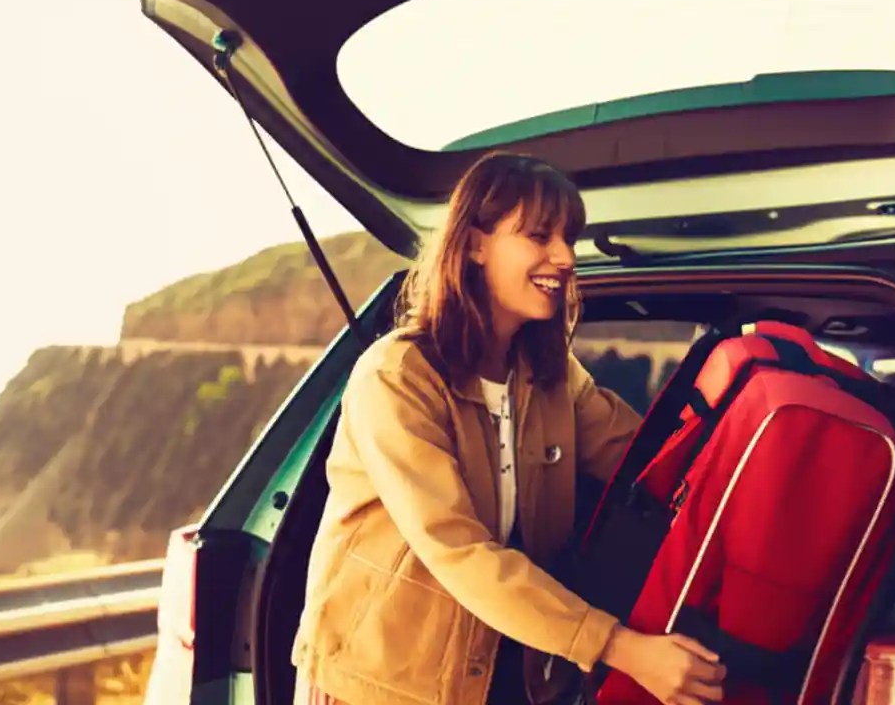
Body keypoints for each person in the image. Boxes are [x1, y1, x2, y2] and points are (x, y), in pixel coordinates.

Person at [290, 151, 726, 705]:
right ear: (475, 244)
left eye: (569, 237)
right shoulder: (397, 377)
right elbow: (457, 549)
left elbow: (645, 458)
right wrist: (621, 647)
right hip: (379, 684)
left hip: (497, 676)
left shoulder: (550, 379)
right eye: (540, 236)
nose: (565, 257)